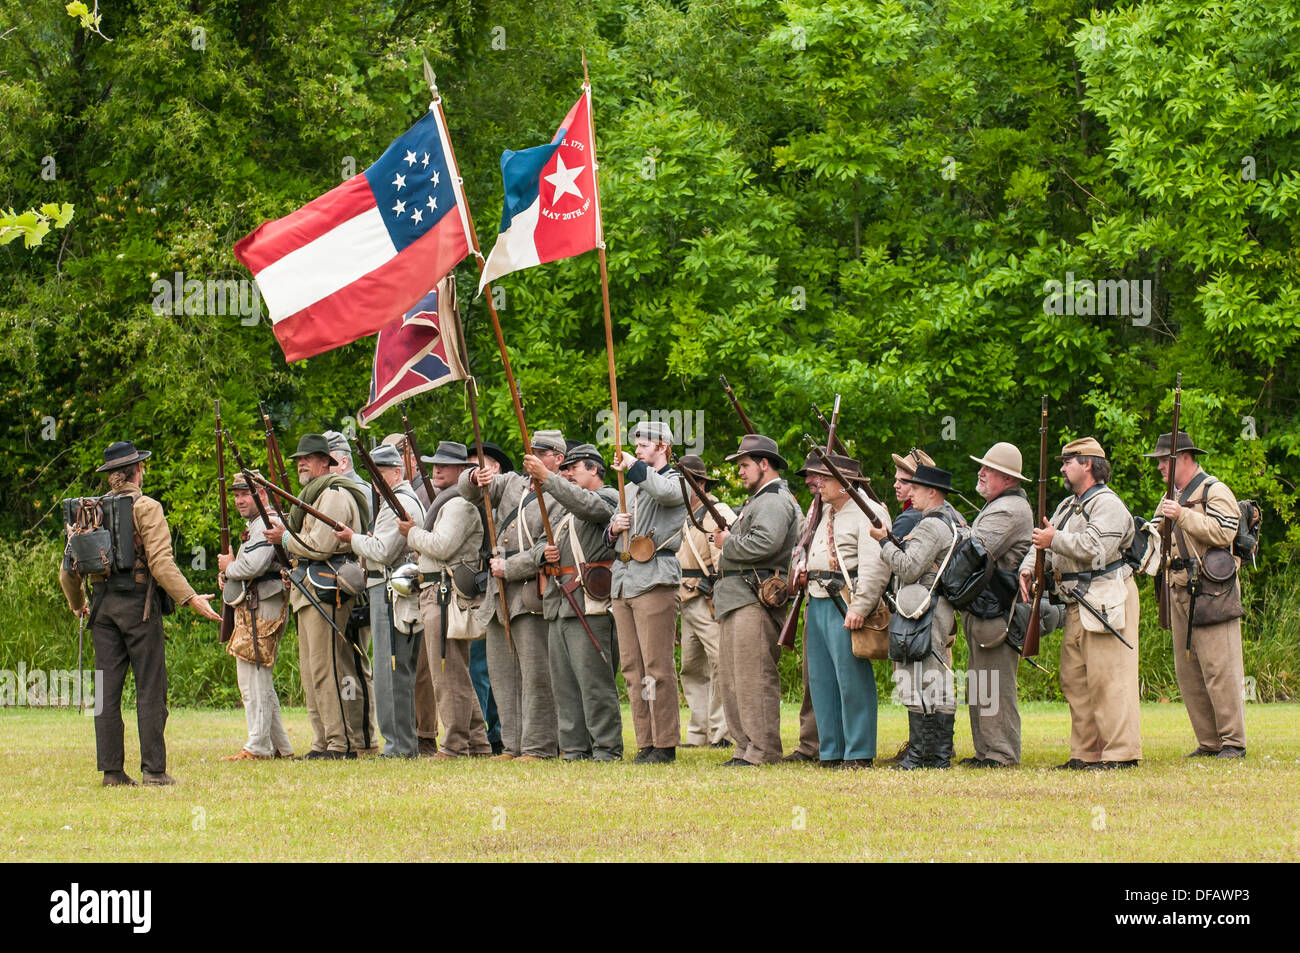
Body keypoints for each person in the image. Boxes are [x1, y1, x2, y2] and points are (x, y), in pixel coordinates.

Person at [58, 440, 221, 786]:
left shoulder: (88, 510)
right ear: (137, 472)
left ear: (110, 477)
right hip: (138, 606)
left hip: (101, 608)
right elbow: (161, 564)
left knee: (105, 693)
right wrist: (190, 598)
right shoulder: (147, 506)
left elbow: (67, 572)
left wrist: (78, 605)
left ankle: (113, 773)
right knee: (149, 688)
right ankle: (155, 771)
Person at [1018, 437, 1141, 770]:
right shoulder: (1067, 506)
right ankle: (1086, 754)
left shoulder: (1108, 504)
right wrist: (1029, 566)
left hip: (1106, 597)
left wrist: (1052, 539)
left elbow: (1095, 547)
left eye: (1068, 461)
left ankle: (1120, 753)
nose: (1061, 467)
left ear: (1087, 464)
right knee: (1075, 679)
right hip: (1077, 601)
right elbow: (1041, 539)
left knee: (1109, 678)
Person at [460, 430, 566, 761]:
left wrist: (511, 567)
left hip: (529, 593)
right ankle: (512, 745)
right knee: (503, 676)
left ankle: (538, 746)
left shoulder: (562, 494)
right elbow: (469, 492)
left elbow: (549, 547)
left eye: (541, 451)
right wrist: (476, 475)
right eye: (530, 449)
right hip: (498, 595)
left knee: (535, 676)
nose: (531, 455)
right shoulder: (512, 485)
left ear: (558, 458)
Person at [264, 434, 371, 759]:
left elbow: (321, 544)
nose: (301, 463)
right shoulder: (316, 494)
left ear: (326, 462)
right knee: (311, 670)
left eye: (308, 458)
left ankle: (339, 744)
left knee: (326, 668)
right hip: (309, 585)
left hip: (326, 586)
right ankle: (323, 741)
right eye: (299, 458)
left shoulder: (334, 494)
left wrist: (285, 539)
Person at [1145, 430, 1246, 759]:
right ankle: (1208, 741)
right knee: (1189, 671)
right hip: (1179, 589)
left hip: (1212, 589)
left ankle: (1233, 742)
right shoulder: (1171, 497)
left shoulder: (1214, 490)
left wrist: (1182, 515)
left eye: (1164, 460)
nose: (1160, 467)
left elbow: (1225, 530)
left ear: (1185, 458)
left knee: (1220, 667)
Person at [525, 444, 623, 762]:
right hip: (562, 604)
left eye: (574, 468)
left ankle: (606, 748)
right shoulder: (567, 513)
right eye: (563, 469)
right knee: (565, 686)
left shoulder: (608, 498)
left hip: (589, 603)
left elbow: (588, 507)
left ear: (594, 469)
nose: (566, 473)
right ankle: (575, 748)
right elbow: (544, 540)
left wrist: (549, 478)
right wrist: (543, 553)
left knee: (595, 683)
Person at [712, 434, 801, 766]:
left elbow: (764, 543)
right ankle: (745, 747)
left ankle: (762, 750)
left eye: (745, 465)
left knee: (753, 677)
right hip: (740, 596)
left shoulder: (775, 500)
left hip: (754, 596)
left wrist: (727, 542)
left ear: (765, 464)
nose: (740, 472)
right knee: (733, 678)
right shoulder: (761, 499)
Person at [401, 441, 492, 759]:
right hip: (438, 592)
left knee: (446, 672)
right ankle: (478, 743)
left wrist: (411, 533)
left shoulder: (458, 505)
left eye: (445, 464)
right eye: (434, 463)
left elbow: (441, 546)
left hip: (444, 593)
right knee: (454, 672)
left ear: (463, 471)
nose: (436, 468)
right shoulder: (448, 502)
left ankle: (455, 745)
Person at [800, 454, 892, 769]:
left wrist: (861, 607)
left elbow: (875, 566)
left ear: (844, 483)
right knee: (821, 680)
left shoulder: (868, 512)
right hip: (816, 597)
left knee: (851, 679)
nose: (818, 483)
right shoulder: (822, 511)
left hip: (845, 601)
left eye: (825, 478)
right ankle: (831, 750)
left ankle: (858, 751)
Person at [336, 444, 426, 758]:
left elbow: (383, 551)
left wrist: (352, 539)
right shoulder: (397, 499)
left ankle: (398, 746)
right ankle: (400, 744)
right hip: (390, 590)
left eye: (381, 474)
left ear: (397, 471)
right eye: (374, 475)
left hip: (390, 592)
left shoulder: (399, 500)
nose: (376, 482)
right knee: (393, 670)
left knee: (391, 671)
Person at [608, 421, 687, 764]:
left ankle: (664, 742)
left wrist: (634, 467)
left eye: (643, 445)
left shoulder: (676, 480)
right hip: (624, 579)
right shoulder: (633, 485)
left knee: (656, 666)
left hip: (654, 577)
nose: (636, 450)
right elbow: (612, 530)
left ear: (663, 447)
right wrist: (614, 528)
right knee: (632, 667)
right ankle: (645, 741)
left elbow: (666, 494)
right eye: (635, 446)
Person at [873, 464, 960, 769]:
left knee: (922, 677)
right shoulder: (941, 522)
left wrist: (883, 542)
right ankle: (933, 755)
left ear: (932, 492)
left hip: (928, 607)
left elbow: (908, 567)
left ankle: (925, 755)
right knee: (930, 676)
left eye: (917, 487)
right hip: (932, 606)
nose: (910, 492)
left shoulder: (932, 525)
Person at [959, 443, 1034, 767]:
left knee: (996, 686)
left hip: (997, 611)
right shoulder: (1000, 504)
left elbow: (974, 551)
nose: (980, 473)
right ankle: (985, 752)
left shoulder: (1010, 509)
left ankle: (1001, 754)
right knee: (980, 684)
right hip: (984, 609)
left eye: (987, 470)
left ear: (1006, 477)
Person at [218, 469, 294, 761]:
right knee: (257, 676)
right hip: (256, 602)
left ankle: (258, 746)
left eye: (245, 494)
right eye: (236, 495)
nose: (239, 500)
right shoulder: (258, 522)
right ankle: (280, 747)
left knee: (254, 676)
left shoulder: (266, 522)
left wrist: (229, 567)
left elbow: (254, 566)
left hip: (263, 604)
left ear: (261, 493)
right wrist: (229, 574)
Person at [382, 432, 439, 754]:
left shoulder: (420, 492)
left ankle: (426, 734)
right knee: (413, 666)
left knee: (423, 668)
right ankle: (416, 732)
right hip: (407, 582)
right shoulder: (404, 491)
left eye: (402, 454)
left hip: (419, 580)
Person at [674, 455, 735, 749]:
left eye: (685, 482)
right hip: (684, 597)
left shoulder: (716, 511)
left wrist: (721, 599)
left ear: (699, 484)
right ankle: (698, 733)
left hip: (708, 596)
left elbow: (724, 558)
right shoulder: (681, 514)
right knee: (691, 667)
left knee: (720, 664)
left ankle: (722, 732)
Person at [781, 451, 822, 763]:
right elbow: (800, 546)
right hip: (811, 596)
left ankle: (838, 746)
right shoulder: (813, 506)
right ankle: (811, 745)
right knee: (813, 677)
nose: (808, 480)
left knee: (835, 679)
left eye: (813, 474)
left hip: (839, 599)